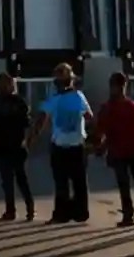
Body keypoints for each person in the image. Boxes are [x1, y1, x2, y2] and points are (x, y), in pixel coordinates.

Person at [39, 63, 95, 224]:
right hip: (73, 145)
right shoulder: (78, 96)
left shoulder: (59, 98)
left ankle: (65, 213)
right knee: (76, 182)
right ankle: (78, 212)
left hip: (65, 146)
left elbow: (42, 119)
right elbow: (89, 117)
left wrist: (31, 138)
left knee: (64, 182)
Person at [94, 72, 134, 228]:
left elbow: (102, 130)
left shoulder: (114, 107)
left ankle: (132, 215)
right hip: (128, 151)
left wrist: (100, 145)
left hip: (125, 152)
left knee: (128, 184)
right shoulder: (131, 107)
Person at [0, 72, 35, 222]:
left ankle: (29, 207)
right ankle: (10, 210)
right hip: (2, 146)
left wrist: (27, 140)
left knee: (21, 179)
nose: (6, 86)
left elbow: (26, 122)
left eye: (8, 83)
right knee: (7, 181)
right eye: (3, 83)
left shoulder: (19, 102)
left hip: (17, 146)